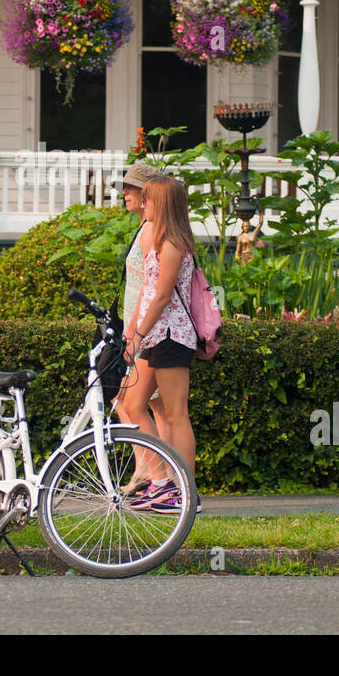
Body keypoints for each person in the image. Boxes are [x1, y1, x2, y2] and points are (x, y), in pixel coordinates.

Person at [126, 176, 198, 512]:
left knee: (176, 414)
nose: (143, 204)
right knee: (132, 402)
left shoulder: (173, 243)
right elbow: (145, 291)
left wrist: (139, 335)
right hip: (154, 335)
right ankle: (159, 481)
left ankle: (186, 494)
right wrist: (132, 333)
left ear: (164, 204)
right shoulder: (154, 240)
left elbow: (163, 296)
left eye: (149, 200)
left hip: (172, 336)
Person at [108, 161, 172, 493]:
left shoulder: (150, 228)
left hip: (145, 333)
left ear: (148, 193)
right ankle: (158, 475)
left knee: (127, 402)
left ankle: (156, 476)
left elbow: (153, 288)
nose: (124, 193)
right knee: (153, 407)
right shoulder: (146, 225)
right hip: (143, 331)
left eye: (130, 187)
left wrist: (135, 335)